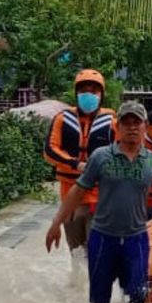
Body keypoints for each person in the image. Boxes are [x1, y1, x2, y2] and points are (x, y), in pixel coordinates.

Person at [46, 102, 152, 303]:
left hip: (136, 241)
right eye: (126, 123)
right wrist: (56, 223)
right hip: (103, 239)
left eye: (137, 123)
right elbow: (77, 191)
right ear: (118, 127)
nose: (132, 128)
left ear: (145, 127)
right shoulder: (101, 157)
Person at [42, 69, 116, 270]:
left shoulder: (112, 121)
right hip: (70, 198)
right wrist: (76, 164)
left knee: (97, 253)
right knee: (76, 255)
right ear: (76, 93)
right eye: (84, 90)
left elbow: (125, 152)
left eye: (93, 91)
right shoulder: (62, 119)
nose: (88, 94)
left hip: (99, 198)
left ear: (101, 95)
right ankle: (78, 290)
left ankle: (97, 295)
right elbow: (50, 150)